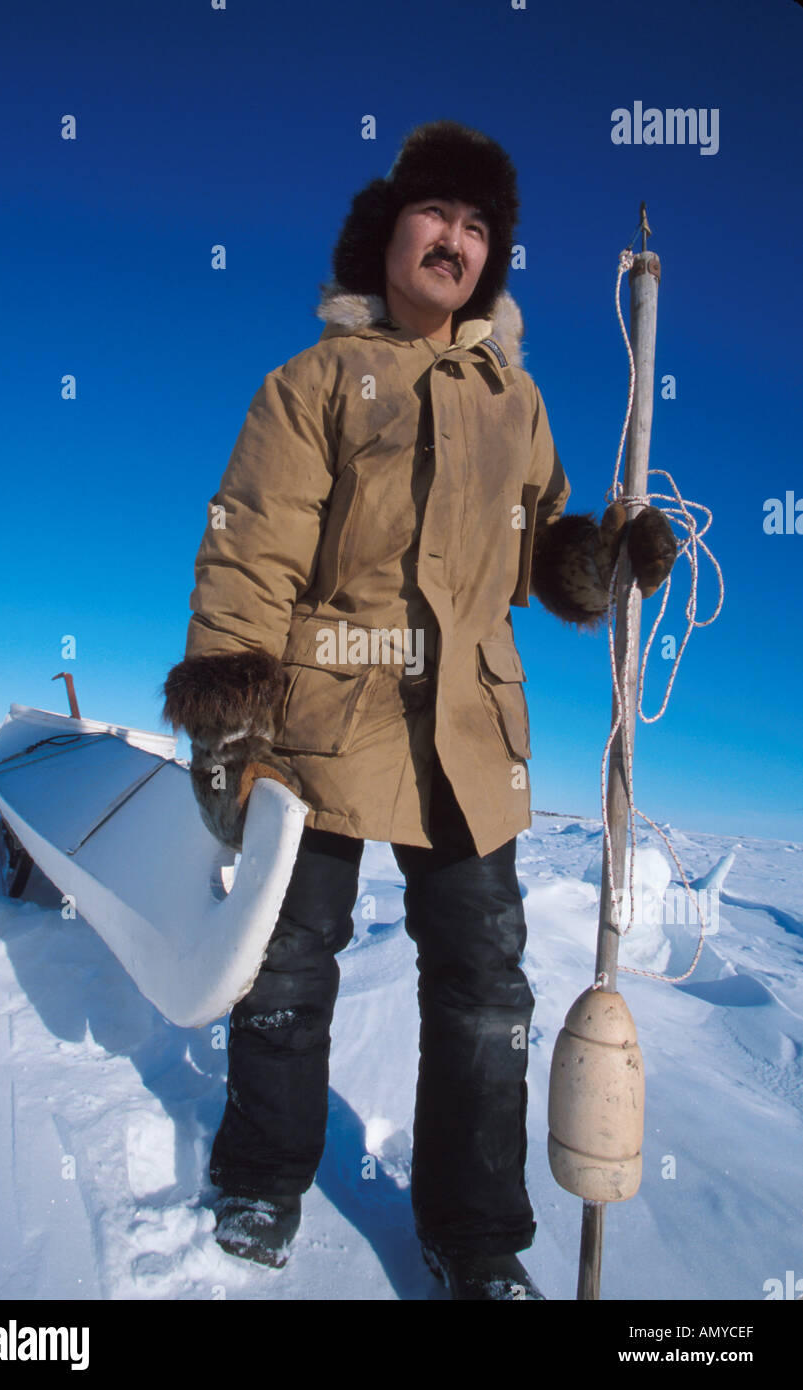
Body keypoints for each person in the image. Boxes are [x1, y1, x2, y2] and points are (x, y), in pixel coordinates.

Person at [162, 120, 676, 1300]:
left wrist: (610, 559)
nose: (455, 239)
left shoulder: (520, 404)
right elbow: (253, 553)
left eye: (480, 226)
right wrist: (228, 701)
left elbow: (546, 559)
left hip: (468, 732)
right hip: (324, 711)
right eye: (435, 214)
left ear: (492, 259)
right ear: (385, 232)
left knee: (487, 982)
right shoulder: (312, 385)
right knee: (288, 959)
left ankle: (477, 1234)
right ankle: (262, 1172)